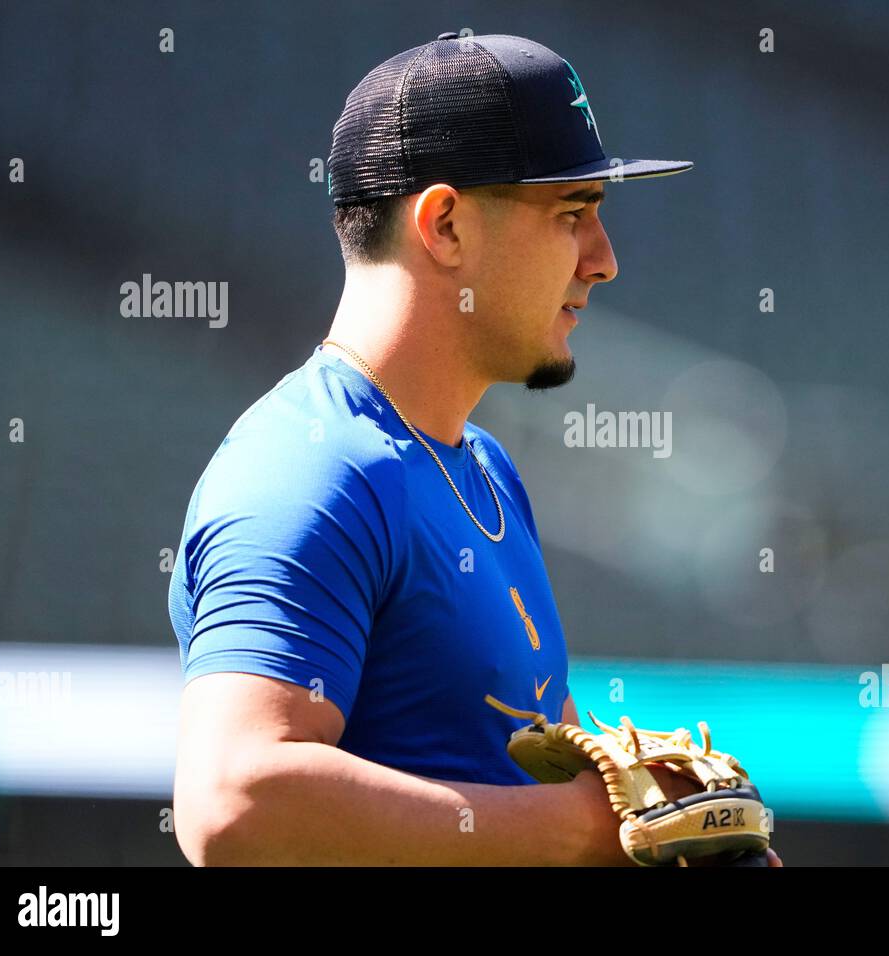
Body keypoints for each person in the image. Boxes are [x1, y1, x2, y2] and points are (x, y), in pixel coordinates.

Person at [167, 31, 780, 866]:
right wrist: (595, 833)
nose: (604, 260)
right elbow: (233, 801)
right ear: (446, 224)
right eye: (573, 212)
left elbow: (525, 793)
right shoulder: (310, 470)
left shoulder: (483, 469)